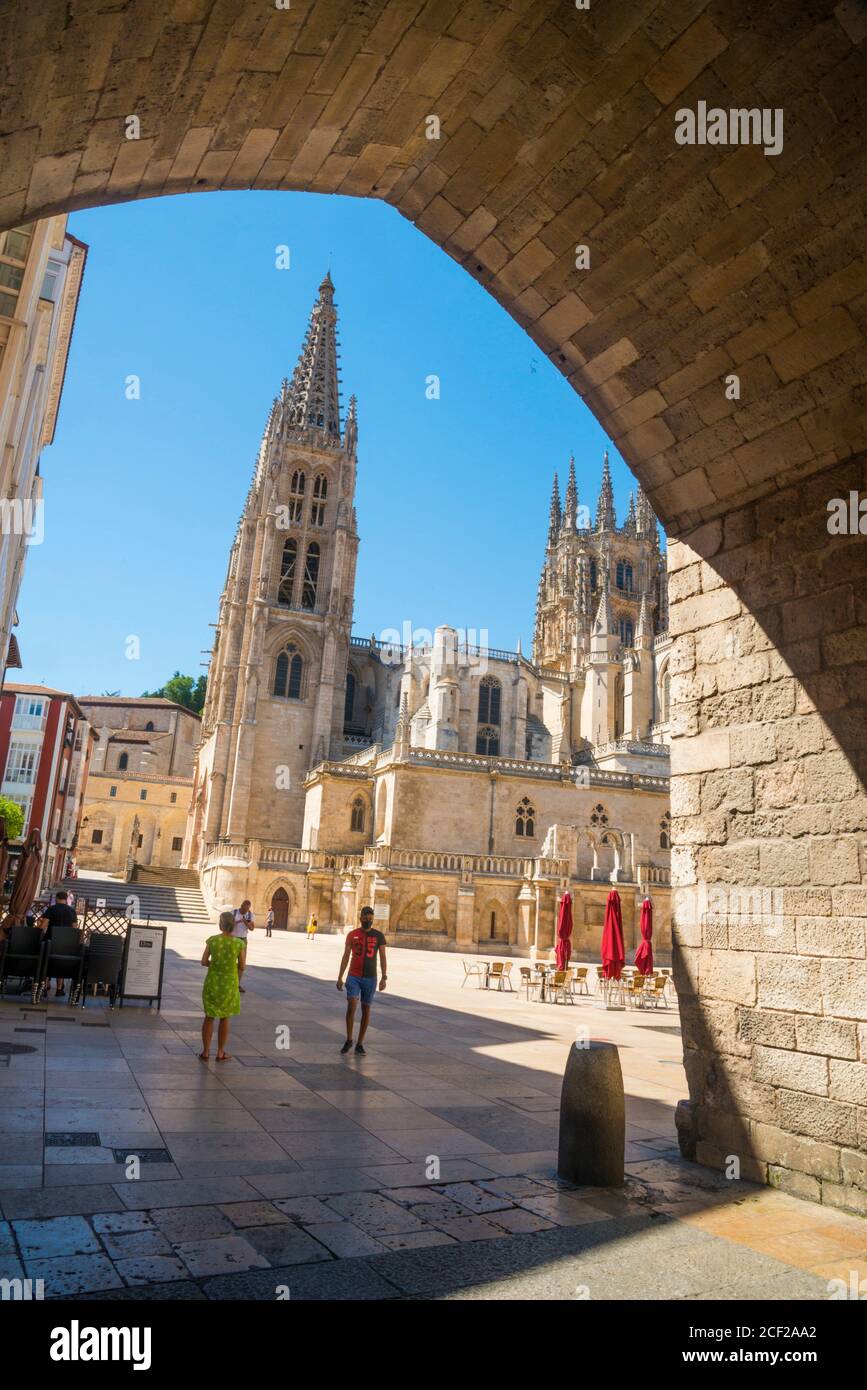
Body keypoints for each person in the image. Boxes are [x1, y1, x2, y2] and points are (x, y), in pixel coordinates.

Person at [336, 904, 387, 1056]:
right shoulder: (352, 935)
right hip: (354, 975)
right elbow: (346, 955)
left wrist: (384, 977)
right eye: (365, 918)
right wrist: (340, 976)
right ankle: (349, 1039)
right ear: (360, 919)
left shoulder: (379, 936)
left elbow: (383, 957)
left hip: (371, 978)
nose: (368, 921)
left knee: (366, 1009)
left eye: (370, 919)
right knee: (352, 1004)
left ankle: (360, 1043)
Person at [199, 909, 246, 1062]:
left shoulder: (212, 940)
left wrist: (216, 965)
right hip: (230, 982)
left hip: (213, 981)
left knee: (209, 1017)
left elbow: (204, 961)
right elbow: (242, 966)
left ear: (220, 925)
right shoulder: (239, 943)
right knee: (225, 1017)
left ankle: (206, 1051)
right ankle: (220, 1052)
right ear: (233, 926)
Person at [37, 890, 78, 998]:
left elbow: (43, 926)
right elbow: (75, 929)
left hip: (50, 942)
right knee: (61, 964)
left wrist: (38, 926)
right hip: (64, 944)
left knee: (46, 962)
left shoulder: (51, 909)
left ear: (56, 899)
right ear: (66, 899)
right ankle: (59, 989)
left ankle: (44, 987)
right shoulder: (71, 911)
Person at [232, 899, 254, 991]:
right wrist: (237, 922)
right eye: (244, 909)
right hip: (233, 939)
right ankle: (230, 983)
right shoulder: (233, 913)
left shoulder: (250, 915)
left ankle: (237, 984)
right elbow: (228, 925)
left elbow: (252, 928)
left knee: (242, 964)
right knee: (231, 962)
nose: (246, 911)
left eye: (247, 909)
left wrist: (245, 922)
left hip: (243, 940)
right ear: (241, 906)